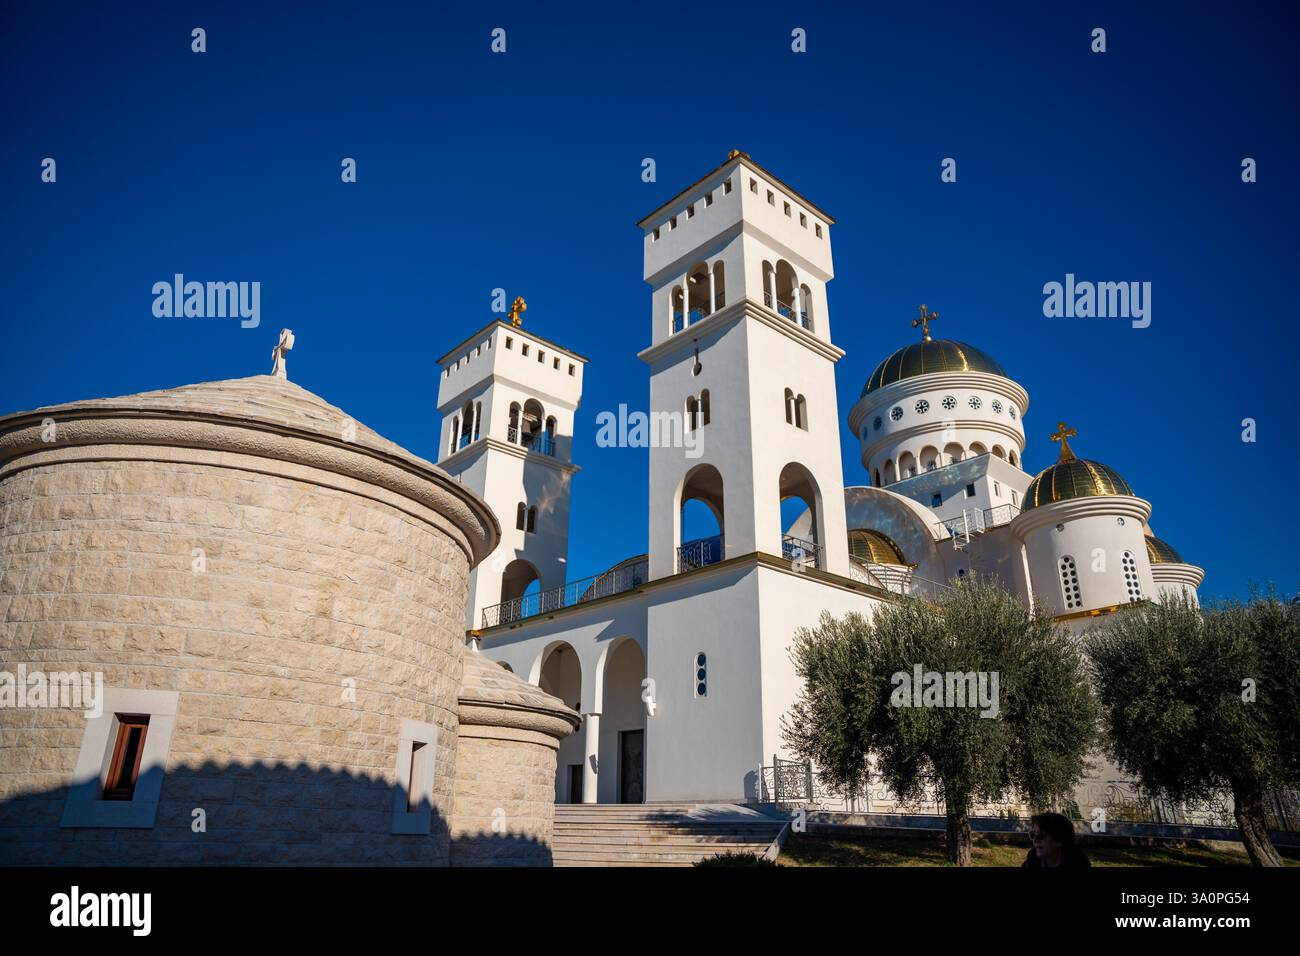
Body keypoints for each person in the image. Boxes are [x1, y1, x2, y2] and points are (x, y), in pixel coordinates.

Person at [1022, 812, 1091, 868]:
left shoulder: (1078, 863)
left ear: (1059, 840)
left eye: (1040, 836)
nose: (1035, 840)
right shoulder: (1032, 860)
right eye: (1032, 835)